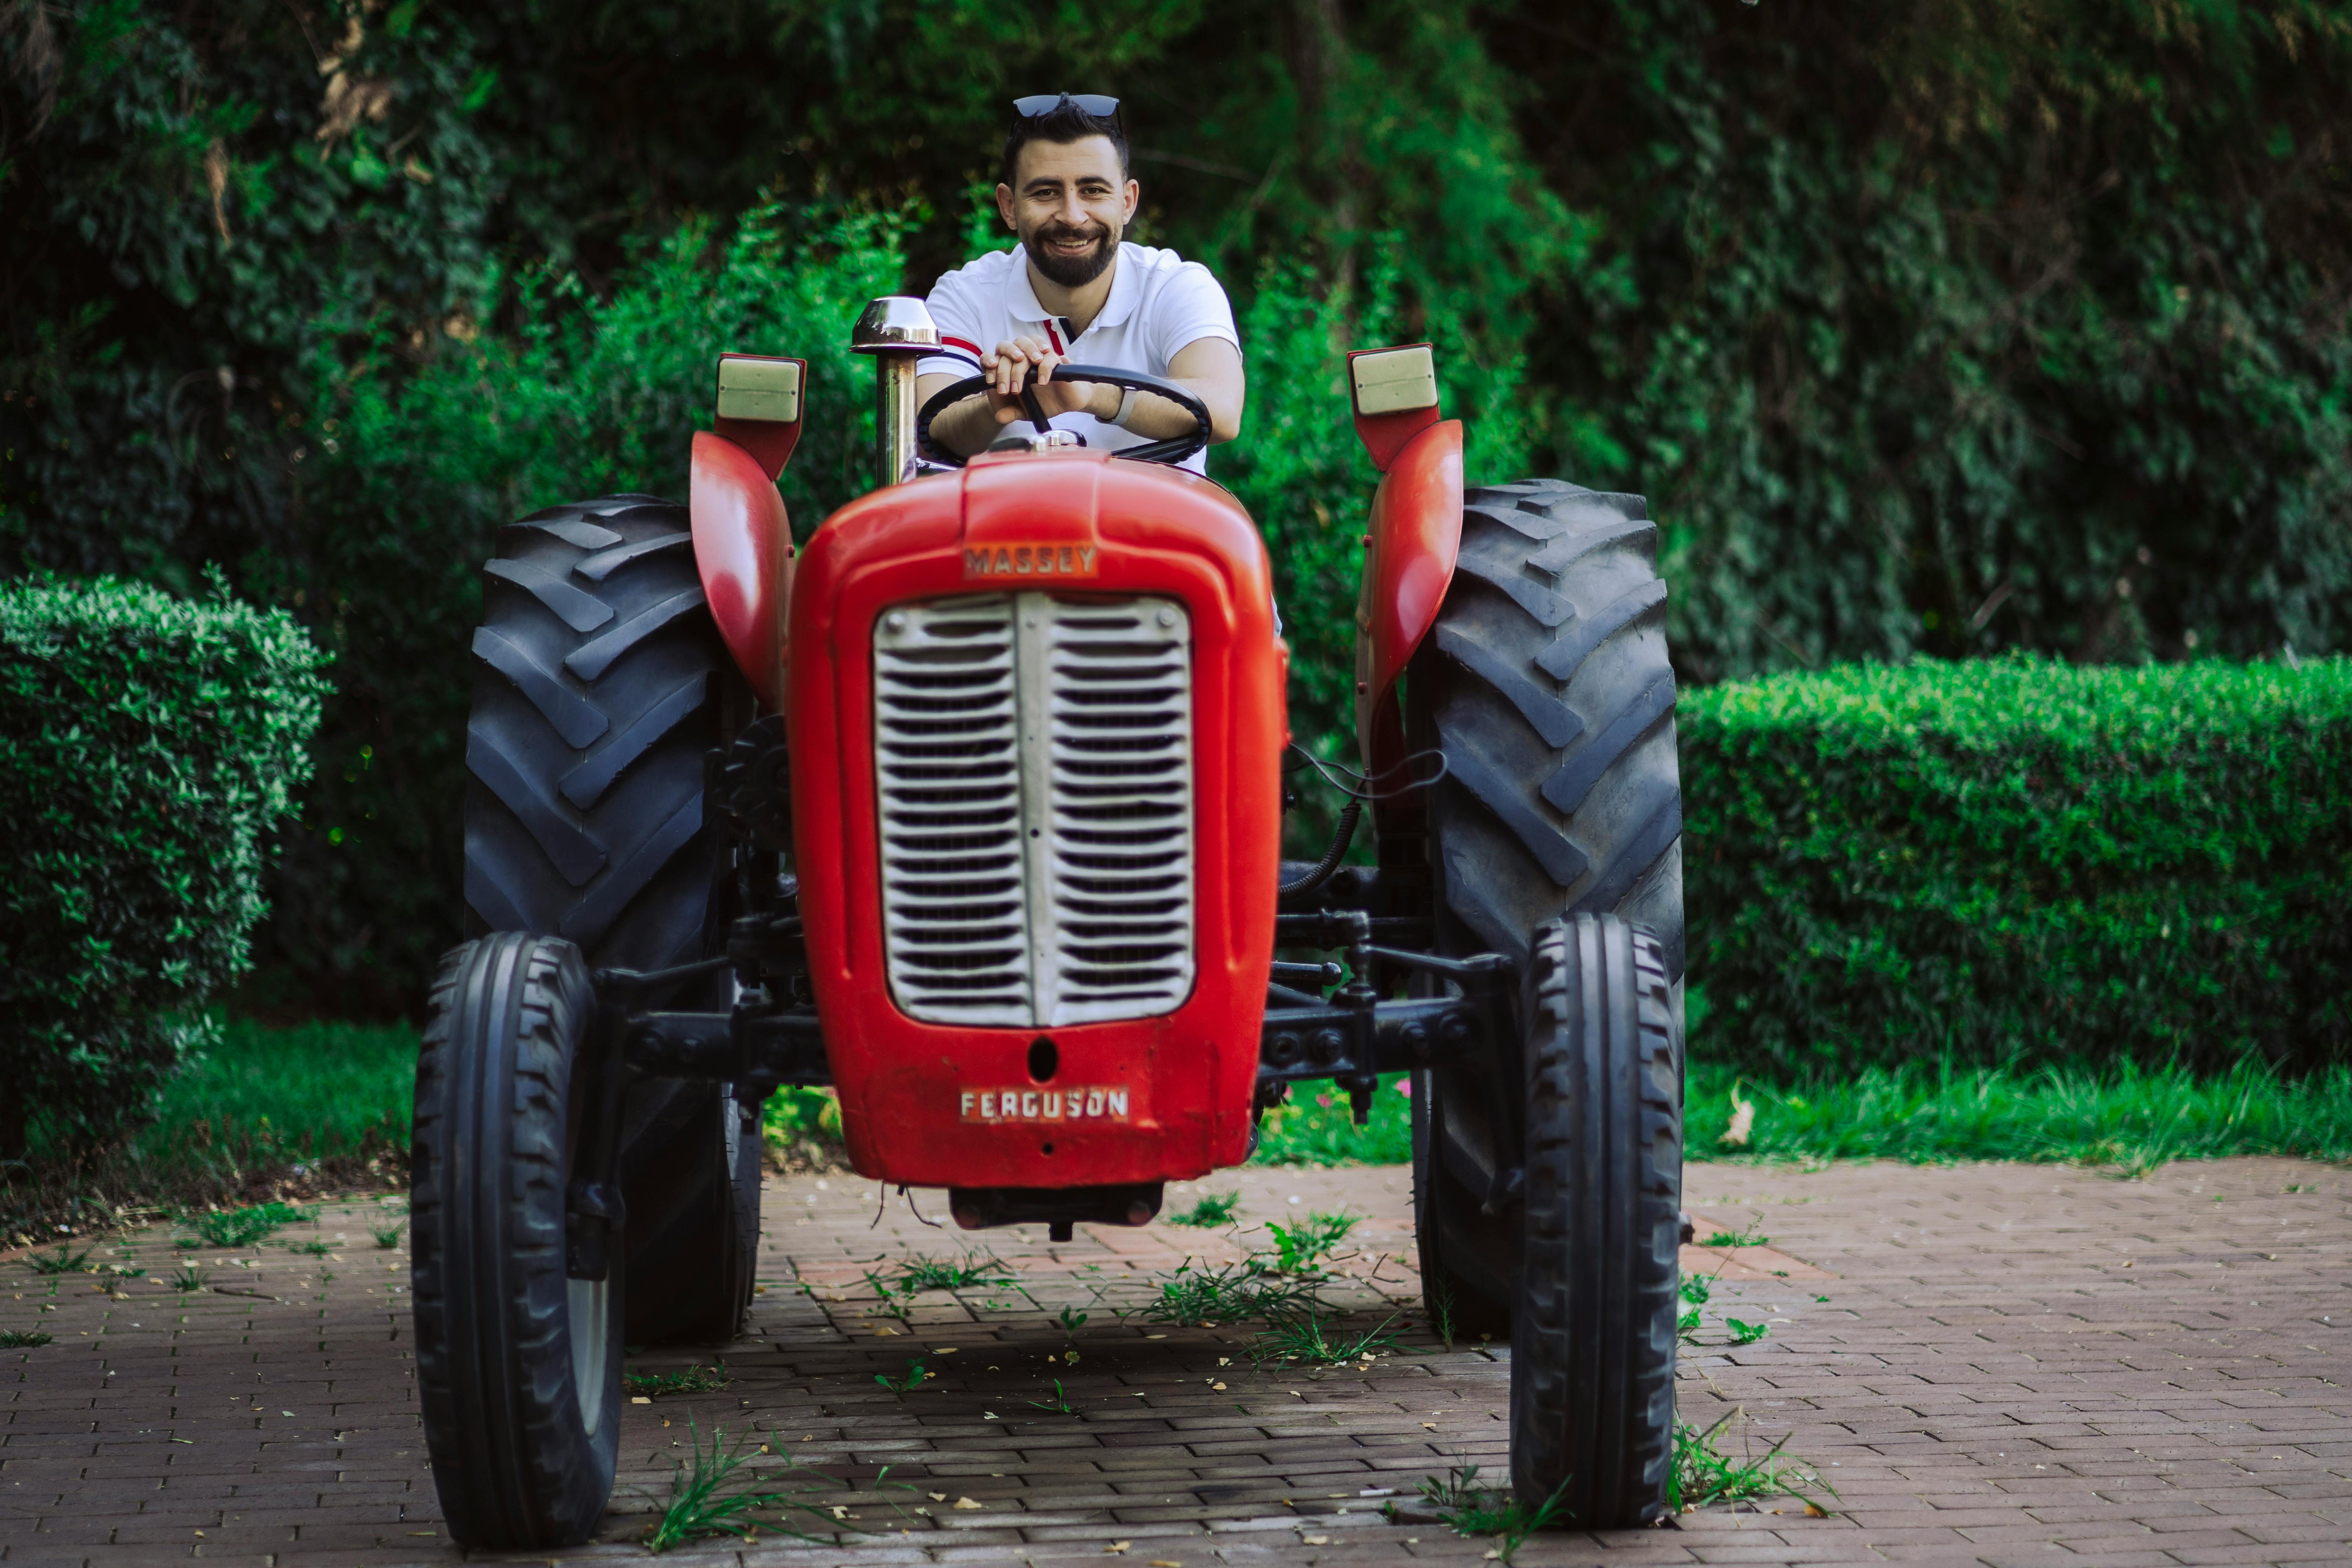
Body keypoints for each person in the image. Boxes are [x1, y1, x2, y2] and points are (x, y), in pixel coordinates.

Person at [917, 94, 1246, 474]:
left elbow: (1223, 411)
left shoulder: (1177, 286)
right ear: (1008, 206)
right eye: (1046, 193)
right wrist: (997, 403)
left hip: (1152, 529)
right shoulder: (965, 295)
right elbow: (930, 432)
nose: (1072, 216)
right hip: (1008, 530)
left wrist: (1094, 394)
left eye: (1093, 190)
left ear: (1127, 201)